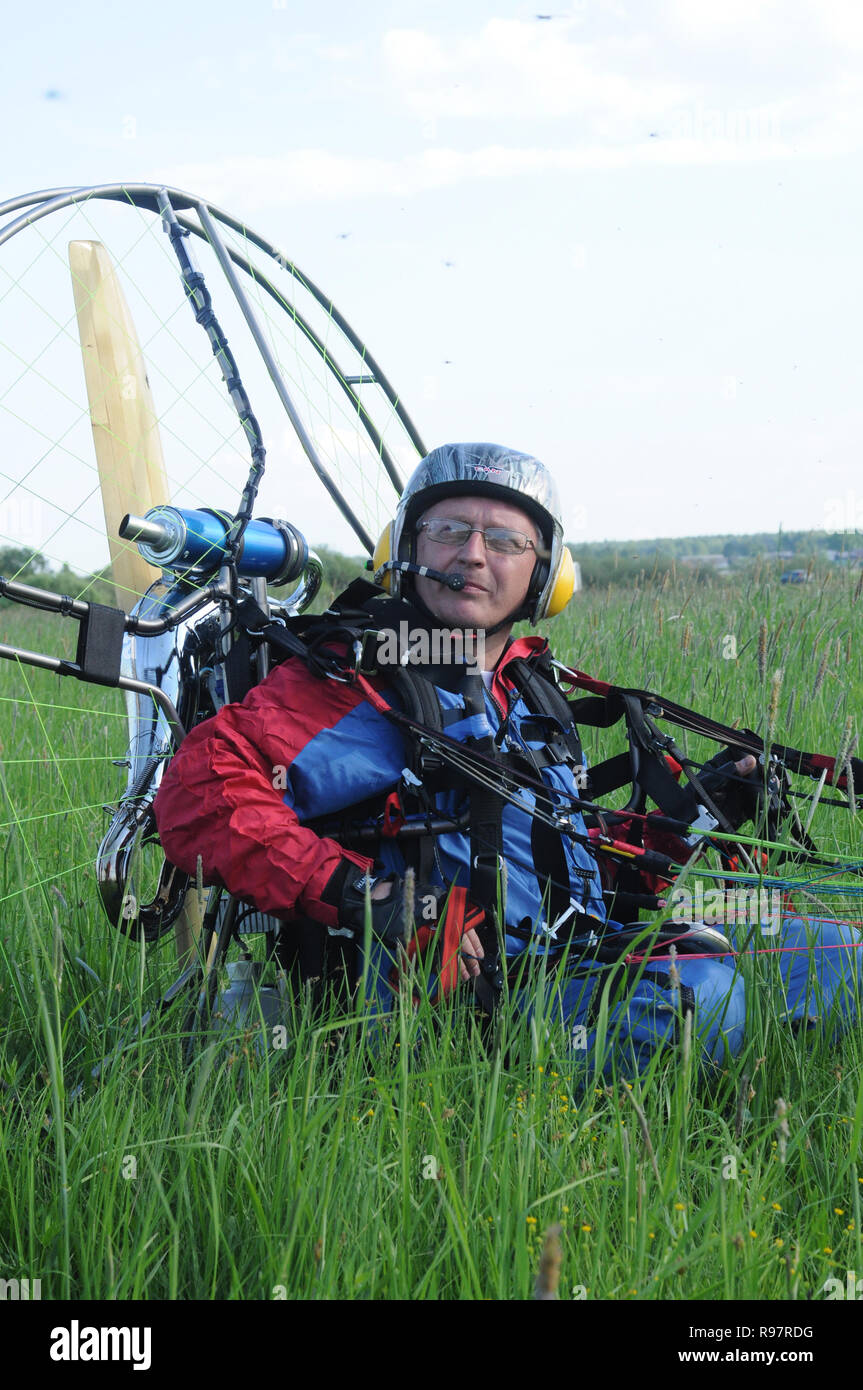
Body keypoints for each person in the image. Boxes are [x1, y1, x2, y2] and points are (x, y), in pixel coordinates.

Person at [153, 443, 860, 1071]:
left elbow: (567, 870)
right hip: (454, 1007)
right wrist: (364, 896)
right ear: (403, 549)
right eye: (449, 532)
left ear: (544, 573)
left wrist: (683, 822)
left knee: (841, 954)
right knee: (703, 1001)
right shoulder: (353, 685)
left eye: (505, 541)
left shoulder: (528, 693)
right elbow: (196, 795)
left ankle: (750, 1084)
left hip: (581, 955)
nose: (472, 554)